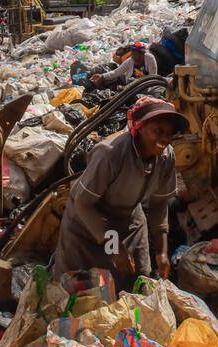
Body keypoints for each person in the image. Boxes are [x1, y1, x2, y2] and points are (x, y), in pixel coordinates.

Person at [52, 96, 187, 290]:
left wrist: (162, 252)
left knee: (137, 280)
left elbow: (159, 205)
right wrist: (115, 248)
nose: (164, 139)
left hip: (128, 220)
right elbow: (84, 204)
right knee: (85, 290)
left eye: (169, 134)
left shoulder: (167, 156)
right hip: (89, 226)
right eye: (157, 131)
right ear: (139, 127)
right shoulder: (110, 153)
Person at [89, 42, 157, 89]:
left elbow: (153, 76)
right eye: (132, 53)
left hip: (145, 86)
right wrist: (102, 76)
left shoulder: (149, 58)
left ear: (142, 53)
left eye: (135, 53)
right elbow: (116, 72)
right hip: (130, 85)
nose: (132, 55)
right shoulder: (130, 61)